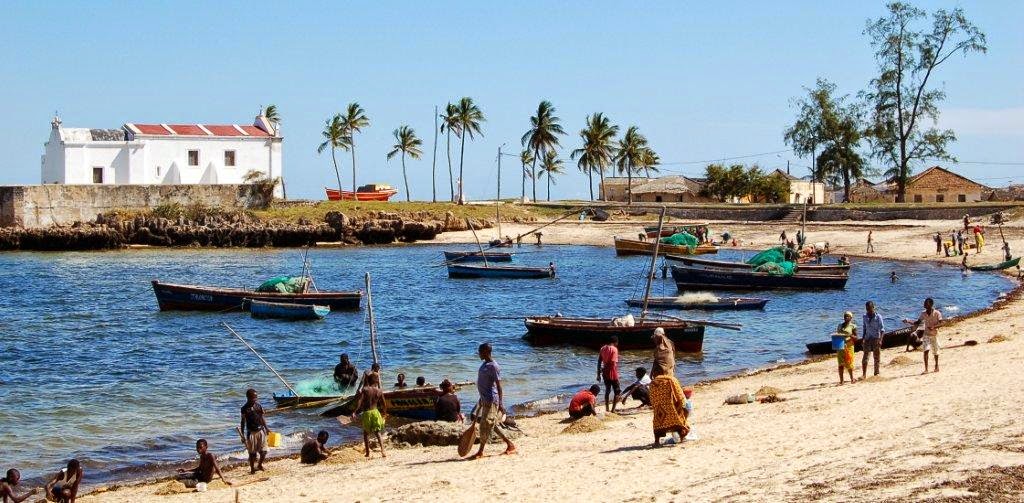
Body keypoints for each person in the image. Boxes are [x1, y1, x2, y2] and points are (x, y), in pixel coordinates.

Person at [471, 343, 516, 459]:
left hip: (492, 400)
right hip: (485, 400)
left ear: (486, 351)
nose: (479, 353)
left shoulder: (493, 366)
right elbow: (484, 384)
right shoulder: (484, 364)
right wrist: (480, 399)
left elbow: (498, 386)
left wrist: (500, 403)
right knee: (491, 425)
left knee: (485, 425)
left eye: (480, 351)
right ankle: (510, 445)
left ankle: (481, 451)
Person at [648, 360, 688, 447]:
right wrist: (681, 406)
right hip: (672, 411)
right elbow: (680, 395)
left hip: (660, 413)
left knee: (657, 423)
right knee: (682, 414)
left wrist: (657, 408)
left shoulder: (652, 383)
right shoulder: (671, 380)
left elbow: (652, 399)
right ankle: (682, 438)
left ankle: (657, 441)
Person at [351, 372, 387, 458]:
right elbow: (383, 404)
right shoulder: (379, 391)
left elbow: (360, 401)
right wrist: (384, 413)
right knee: (378, 432)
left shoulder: (365, 389)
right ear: (376, 380)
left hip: (367, 413)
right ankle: (383, 450)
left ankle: (367, 453)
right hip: (375, 412)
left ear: (369, 380)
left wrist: (355, 411)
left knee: (366, 434)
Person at [905, 298, 943, 373]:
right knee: (926, 351)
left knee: (936, 352)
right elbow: (917, 322)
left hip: (934, 334)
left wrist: (934, 327)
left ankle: (936, 366)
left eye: (926, 303)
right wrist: (908, 321)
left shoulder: (937, 313)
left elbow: (941, 323)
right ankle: (926, 369)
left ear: (931, 304)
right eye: (924, 303)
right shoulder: (923, 313)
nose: (924, 305)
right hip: (926, 335)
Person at [240, 389, 268, 474]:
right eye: (253, 398)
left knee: (264, 451)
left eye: (256, 397)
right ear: (248, 397)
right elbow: (243, 421)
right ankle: (252, 469)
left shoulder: (258, 406)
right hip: (251, 433)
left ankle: (259, 465)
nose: (255, 399)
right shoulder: (244, 409)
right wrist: (242, 435)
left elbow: (262, 418)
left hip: (260, 431)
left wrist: (266, 428)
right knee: (252, 454)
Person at [861, 302, 885, 379]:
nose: (868, 310)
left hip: (876, 338)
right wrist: (863, 338)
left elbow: (882, 330)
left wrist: (880, 340)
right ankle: (864, 374)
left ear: (873, 307)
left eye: (870, 308)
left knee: (876, 356)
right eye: (867, 309)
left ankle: (876, 372)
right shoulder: (864, 316)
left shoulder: (878, 317)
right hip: (867, 338)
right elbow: (864, 328)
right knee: (865, 357)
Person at [597, 336, 621, 412]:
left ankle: (607, 408)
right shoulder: (614, 349)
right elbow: (613, 363)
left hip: (605, 372)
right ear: (615, 342)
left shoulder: (602, 348)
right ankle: (613, 410)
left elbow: (599, 361)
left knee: (607, 390)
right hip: (612, 371)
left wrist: (598, 373)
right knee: (617, 391)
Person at [835, 311, 857, 385]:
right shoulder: (840, 326)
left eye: (848, 316)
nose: (846, 317)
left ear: (851, 318)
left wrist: (850, 335)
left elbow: (856, 338)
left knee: (849, 363)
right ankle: (841, 381)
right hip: (840, 346)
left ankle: (852, 379)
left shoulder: (853, 326)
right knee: (840, 363)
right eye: (845, 316)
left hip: (849, 346)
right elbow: (837, 335)